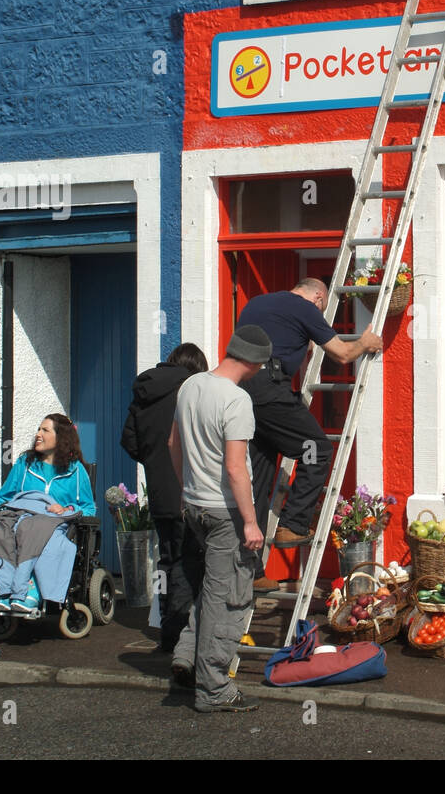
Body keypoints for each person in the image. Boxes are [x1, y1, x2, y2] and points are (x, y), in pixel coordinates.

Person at [168, 325, 271, 714]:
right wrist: (250, 521)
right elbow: (235, 468)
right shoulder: (236, 399)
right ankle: (213, 688)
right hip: (226, 512)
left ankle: (186, 658)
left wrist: (186, 488)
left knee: (212, 588)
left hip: (196, 505)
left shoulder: (190, 385)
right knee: (228, 597)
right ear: (254, 362)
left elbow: (173, 444)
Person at [235, 278, 383, 550]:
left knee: (260, 472)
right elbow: (343, 354)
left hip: (242, 391)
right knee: (317, 449)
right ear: (318, 298)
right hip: (270, 390)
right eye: (322, 308)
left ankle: (250, 562)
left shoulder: (257, 304)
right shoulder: (305, 308)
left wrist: (306, 340)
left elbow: (277, 338)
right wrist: (365, 342)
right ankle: (293, 525)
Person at [120, 342, 210, 651]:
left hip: (159, 491)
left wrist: (153, 460)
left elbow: (129, 440)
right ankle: (180, 636)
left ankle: (166, 632)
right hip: (188, 490)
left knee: (167, 561)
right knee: (188, 563)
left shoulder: (145, 392)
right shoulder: (192, 390)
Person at [0, 414, 97, 611]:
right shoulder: (25, 463)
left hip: (53, 521)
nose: (38, 434)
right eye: (39, 429)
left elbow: (89, 508)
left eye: (45, 430)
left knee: (35, 529)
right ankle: (5, 590)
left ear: (61, 437)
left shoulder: (76, 470)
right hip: (21, 516)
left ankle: (30, 591)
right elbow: (5, 495)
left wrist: (67, 509)